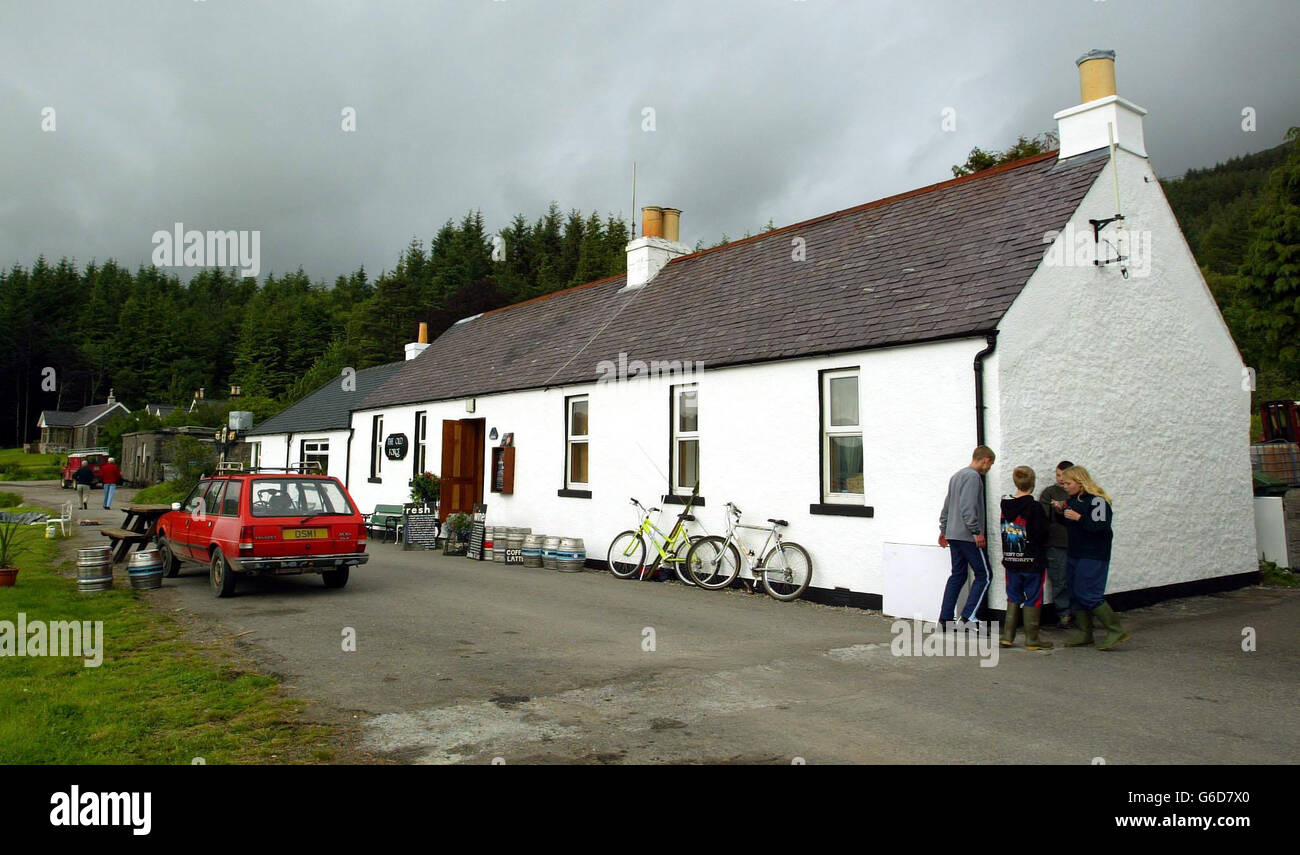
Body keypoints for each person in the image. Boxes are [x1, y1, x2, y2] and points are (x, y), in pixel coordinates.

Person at [1056, 465, 1130, 651]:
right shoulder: (1072, 500)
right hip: (1076, 552)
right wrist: (1061, 512)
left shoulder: (1098, 501)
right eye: (1063, 483)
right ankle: (1085, 633)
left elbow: (1100, 527)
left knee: (1088, 592)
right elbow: (1069, 524)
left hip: (1094, 554)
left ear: (1080, 483)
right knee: (1074, 592)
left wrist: (1079, 517)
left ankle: (1115, 630)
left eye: (1068, 483)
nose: (1065, 486)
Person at [938, 446, 996, 630]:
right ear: (985, 460)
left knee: (958, 574)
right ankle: (969, 617)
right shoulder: (973, 477)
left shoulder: (956, 476)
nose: (989, 468)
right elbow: (968, 507)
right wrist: (976, 531)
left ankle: (946, 619)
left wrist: (944, 529)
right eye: (990, 464)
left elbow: (947, 505)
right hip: (968, 536)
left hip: (953, 534)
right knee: (985, 575)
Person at [999, 466, 1053, 650]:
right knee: (1033, 597)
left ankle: (1008, 636)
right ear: (1033, 483)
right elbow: (1041, 533)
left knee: (1013, 596)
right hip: (1032, 561)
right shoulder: (1035, 507)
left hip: (1011, 559)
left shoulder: (1005, 506)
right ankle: (1032, 639)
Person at [1038, 460, 1075, 628]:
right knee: (1059, 579)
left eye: (1063, 475)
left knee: (1076, 578)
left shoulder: (1077, 492)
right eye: (1058, 475)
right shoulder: (1050, 492)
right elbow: (1044, 518)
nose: (1060, 479)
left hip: (1076, 542)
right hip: (1056, 542)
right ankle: (1064, 613)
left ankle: (1079, 612)